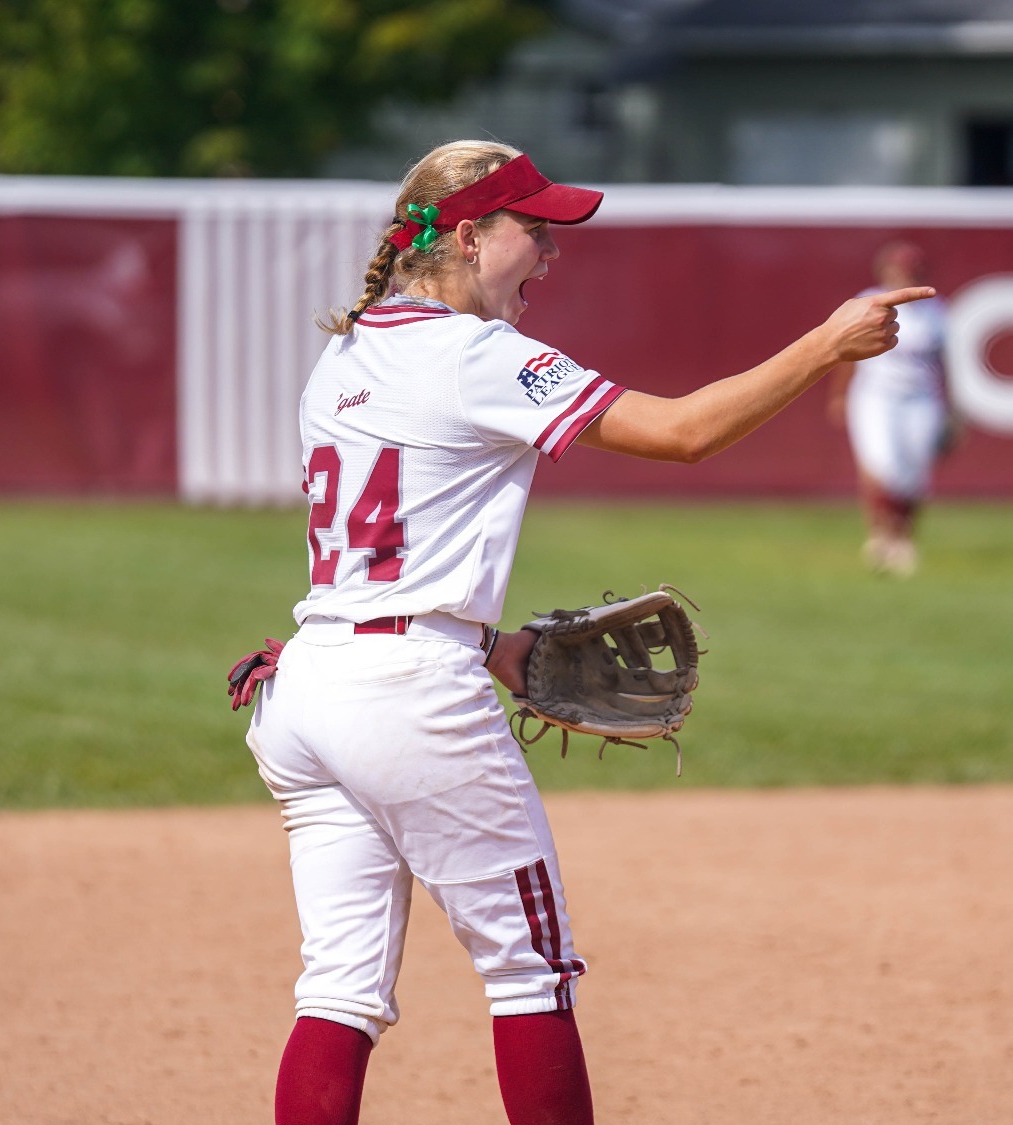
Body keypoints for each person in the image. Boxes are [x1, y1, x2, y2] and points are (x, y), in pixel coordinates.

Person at [239, 140, 930, 1125]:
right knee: (530, 971)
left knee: (338, 990)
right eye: (535, 230)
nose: (552, 252)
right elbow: (684, 432)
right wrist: (826, 344)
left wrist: (490, 648)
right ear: (469, 236)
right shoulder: (476, 354)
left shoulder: (342, 355)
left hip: (308, 685)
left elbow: (380, 562)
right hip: (408, 697)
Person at [825, 240, 956, 577]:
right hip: (876, 396)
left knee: (914, 473)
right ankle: (880, 535)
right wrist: (839, 393)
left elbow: (944, 362)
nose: (906, 275)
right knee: (882, 464)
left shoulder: (935, 310)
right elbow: (848, 352)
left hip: (921, 396)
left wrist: (952, 407)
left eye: (912, 270)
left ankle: (904, 538)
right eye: (899, 269)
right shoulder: (870, 302)